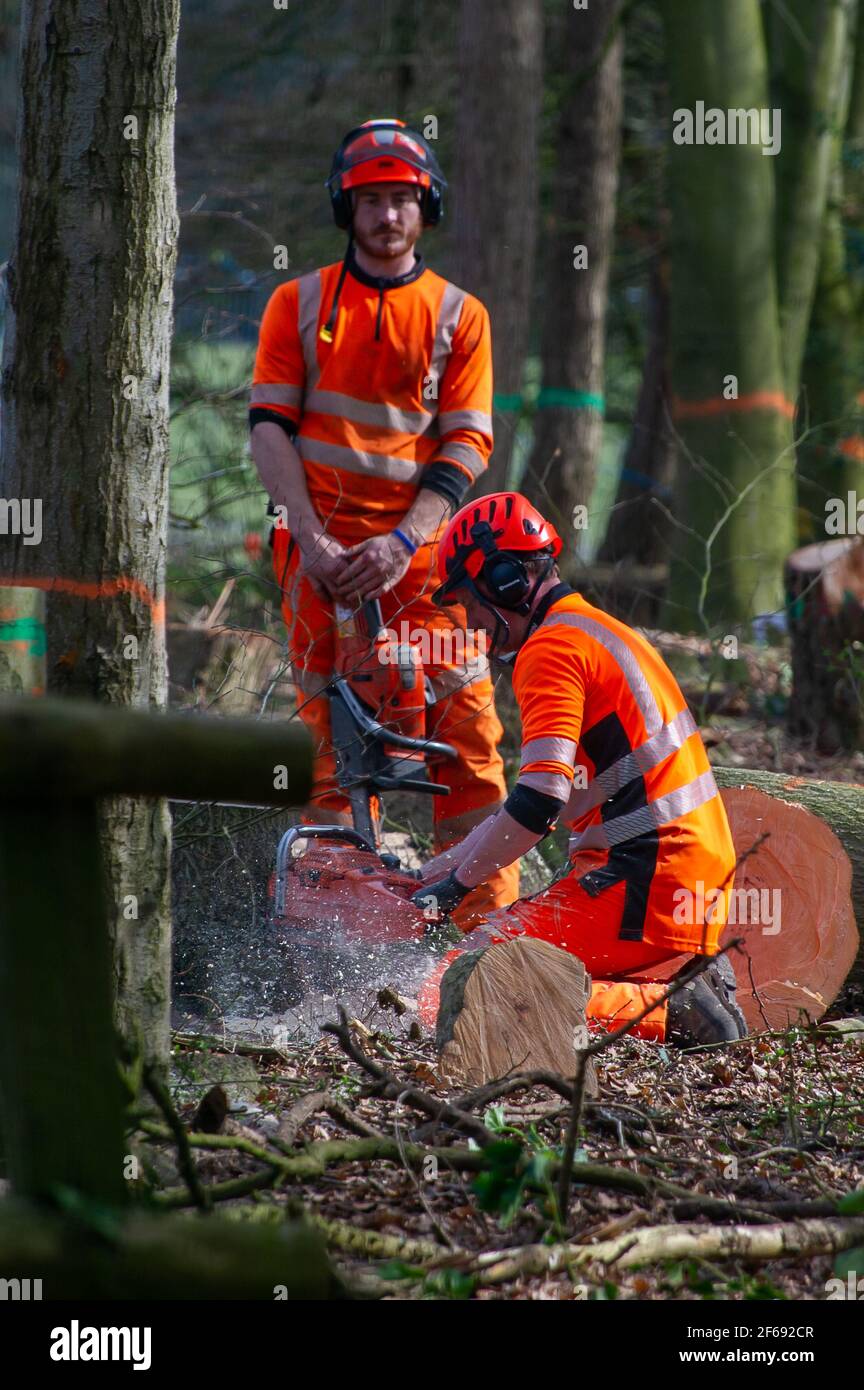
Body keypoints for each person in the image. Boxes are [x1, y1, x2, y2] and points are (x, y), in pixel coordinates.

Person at [249, 118, 518, 926]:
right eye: (371, 199)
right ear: (347, 206)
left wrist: (405, 541)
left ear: (425, 205)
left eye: (401, 198)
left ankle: (489, 932)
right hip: (316, 562)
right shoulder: (296, 304)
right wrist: (316, 539)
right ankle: (327, 933)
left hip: (425, 568)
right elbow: (269, 428)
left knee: (465, 734)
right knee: (322, 750)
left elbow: (467, 441)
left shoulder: (458, 316)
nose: (387, 215)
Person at [412, 491, 748, 1046]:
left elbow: (540, 798)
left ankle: (676, 1015)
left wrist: (457, 885)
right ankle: (675, 992)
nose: (472, 623)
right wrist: (440, 870)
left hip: (643, 878)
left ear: (506, 580)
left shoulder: (552, 648)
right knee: (490, 964)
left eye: (471, 603)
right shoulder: (599, 629)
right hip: (685, 878)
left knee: (459, 983)